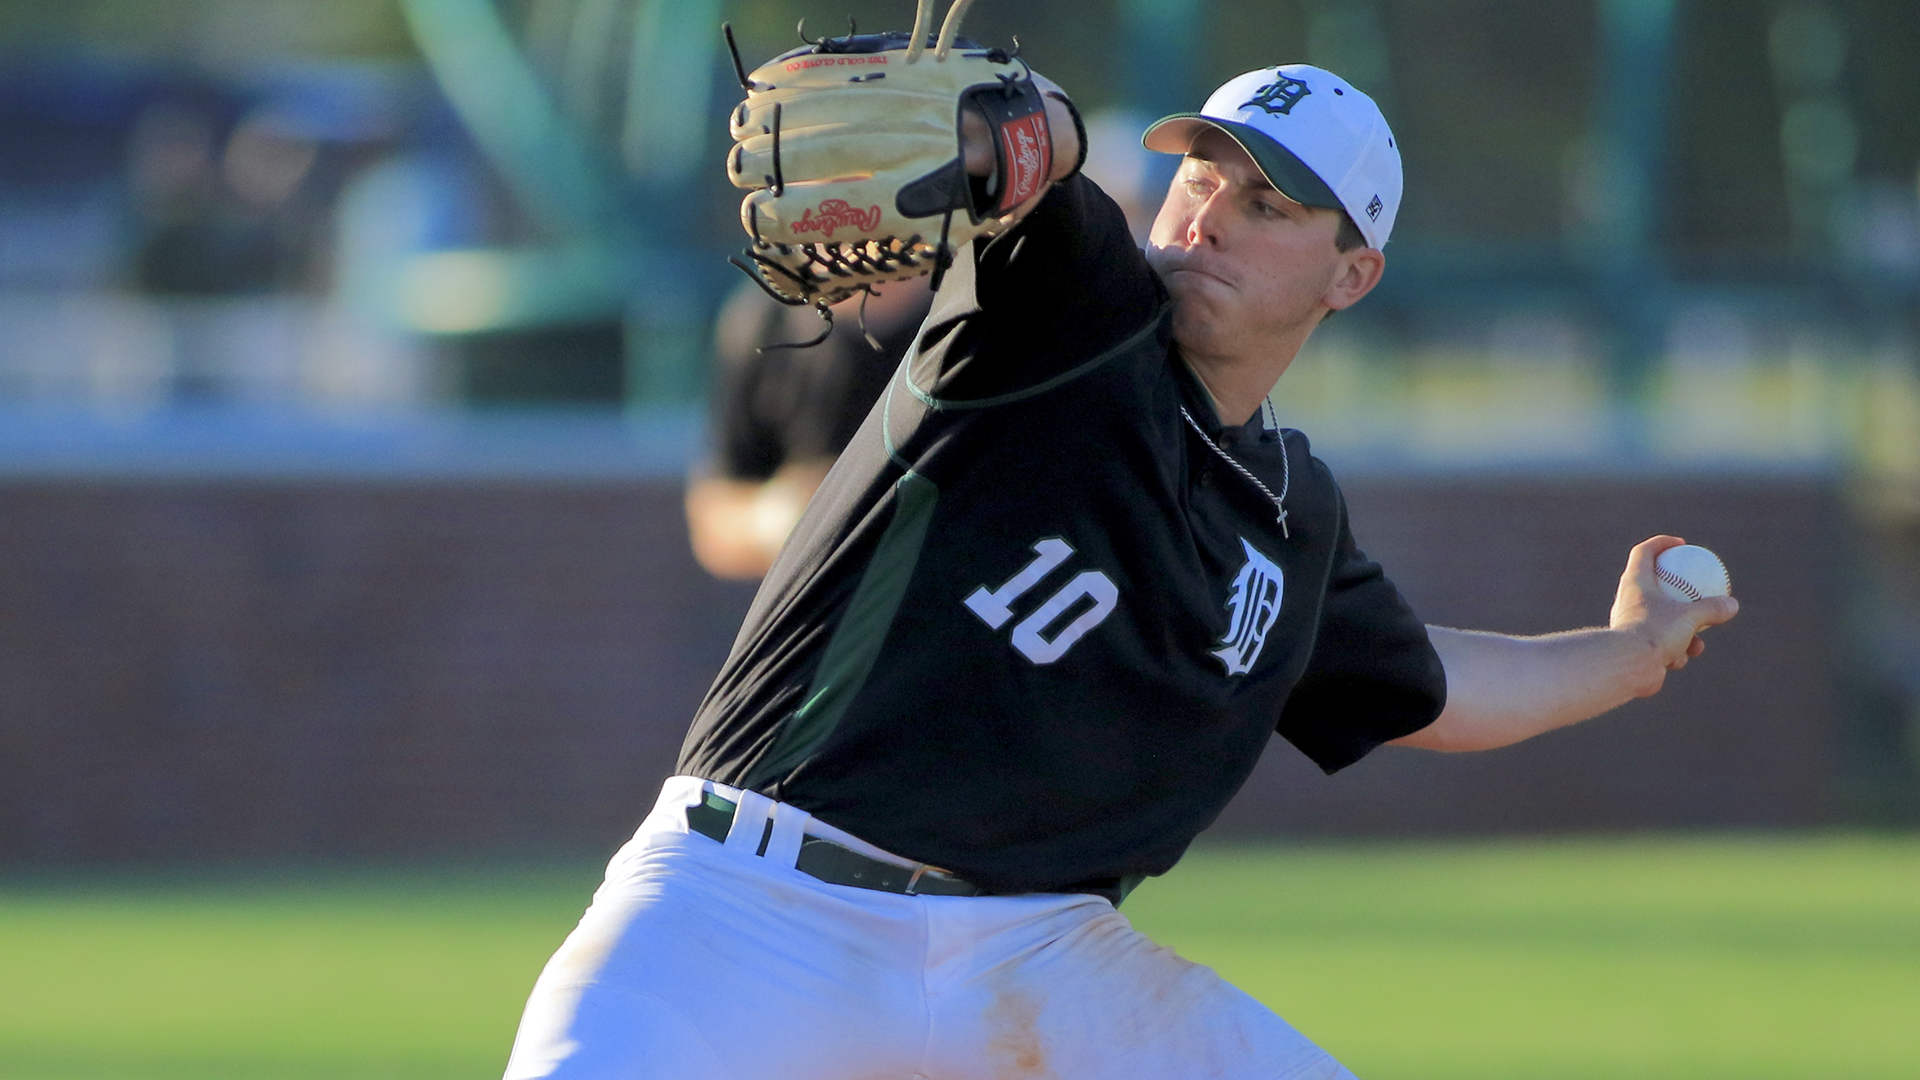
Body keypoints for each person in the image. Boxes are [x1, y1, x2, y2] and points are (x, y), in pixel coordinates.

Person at [503, 60, 1737, 1080]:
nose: (1207, 216)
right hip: (748, 912)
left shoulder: (1288, 516)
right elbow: (1032, 148)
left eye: (1267, 204)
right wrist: (1009, 124)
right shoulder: (1071, 309)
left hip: (1029, 951)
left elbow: (1435, 690)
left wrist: (1632, 656)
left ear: (1351, 274)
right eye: (1199, 174)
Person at [686, 279, 934, 579]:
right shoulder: (763, 321)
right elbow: (714, 520)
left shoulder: (974, 298)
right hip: (834, 595)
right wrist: (782, 518)